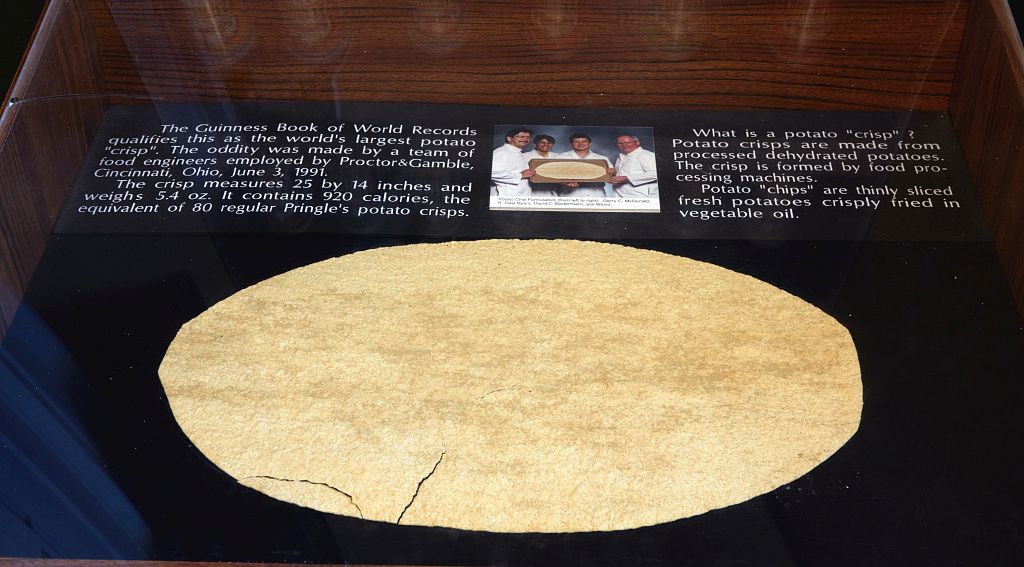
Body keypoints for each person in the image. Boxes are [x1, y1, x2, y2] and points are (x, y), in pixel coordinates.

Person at [555, 133, 614, 198]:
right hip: (569, 195)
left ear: (590, 143)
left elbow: (611, 176)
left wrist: (612, 173)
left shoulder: (602, 159)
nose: (580, 144)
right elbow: (554, 176)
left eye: (584, 141)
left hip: (596, 195)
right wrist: (564, 182)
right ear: (571, 144)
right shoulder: (561, 157)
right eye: (576, 142)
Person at [491, 128, 535, 196]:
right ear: (509, 138)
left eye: (528, 137)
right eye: (521, 136)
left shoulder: (518, 153)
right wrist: (521, 175)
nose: (525, 139)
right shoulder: (502, 152)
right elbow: (493, 173)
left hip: (520, 194)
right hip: (505, 195)